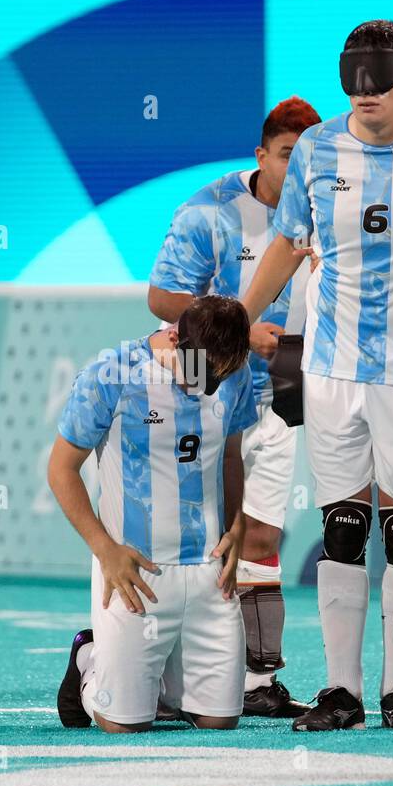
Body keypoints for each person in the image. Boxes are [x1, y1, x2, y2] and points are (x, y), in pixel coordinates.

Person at [241, 20, 393, 731]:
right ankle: (342, 692)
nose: (364, 92)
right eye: (352, 78)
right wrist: (235, 318)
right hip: (331, 367)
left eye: (379, 76)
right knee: (341, 529)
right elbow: (288, 241)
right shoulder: (316, 147)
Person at [146, 96, 320, 718]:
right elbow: (162, 298)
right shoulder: (208, 211)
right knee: (202, 533)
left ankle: (259, 680)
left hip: (287, 393)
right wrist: (238, 330)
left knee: (262, 533)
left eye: (307, 158)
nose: (295, 169)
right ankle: (165, 669)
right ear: (261, 155)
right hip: (208, 393)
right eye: (284, 156)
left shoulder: (330, 206)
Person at [52, 295, 255, 733]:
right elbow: (61, 470)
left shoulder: (233, 370)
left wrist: (236, 524)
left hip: (208, 572)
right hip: (135, 572)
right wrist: (105, 551)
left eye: (218, 378)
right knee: (122, 725)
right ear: (174, 336)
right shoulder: (112, 374)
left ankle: (160, 684)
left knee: (219, 721)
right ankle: (88, 661)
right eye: (200, 372)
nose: (206, 387)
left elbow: (232, 456)